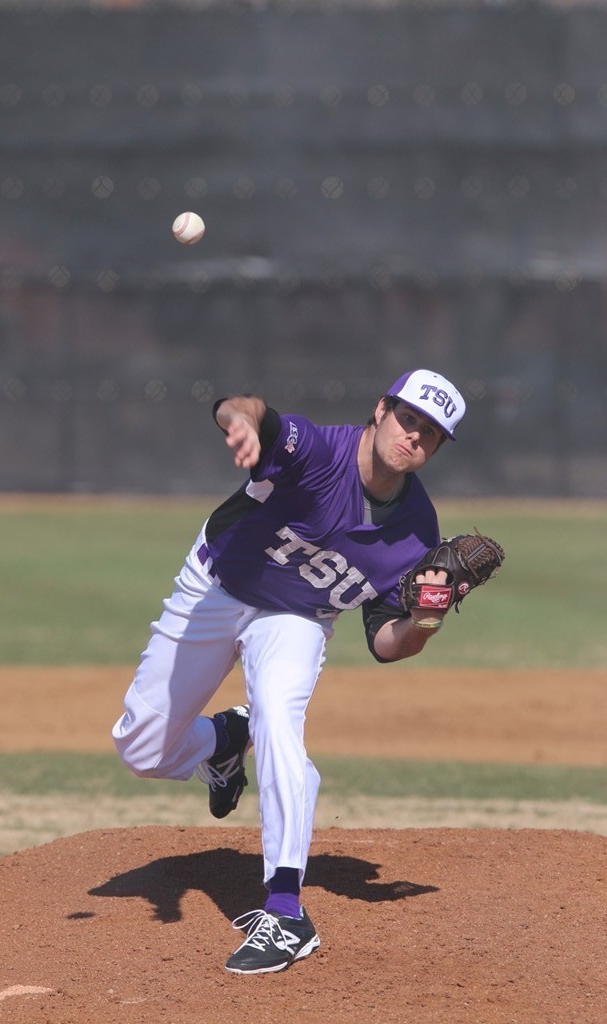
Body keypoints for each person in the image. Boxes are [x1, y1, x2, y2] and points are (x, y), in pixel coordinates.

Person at [112, 367, 465, 975]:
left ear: (436, 449)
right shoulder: (318, 448)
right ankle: (224, 739)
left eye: (431, 434)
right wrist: (242, 421)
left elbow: (385, 641)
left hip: (297, 618)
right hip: (216, 584)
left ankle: (286, 911)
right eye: (408, 418)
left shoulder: (417, 533)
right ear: (381, 410)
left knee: (279, 720)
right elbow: (242, 405)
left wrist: (426, 622)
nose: (414, 436)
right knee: (141, 749)